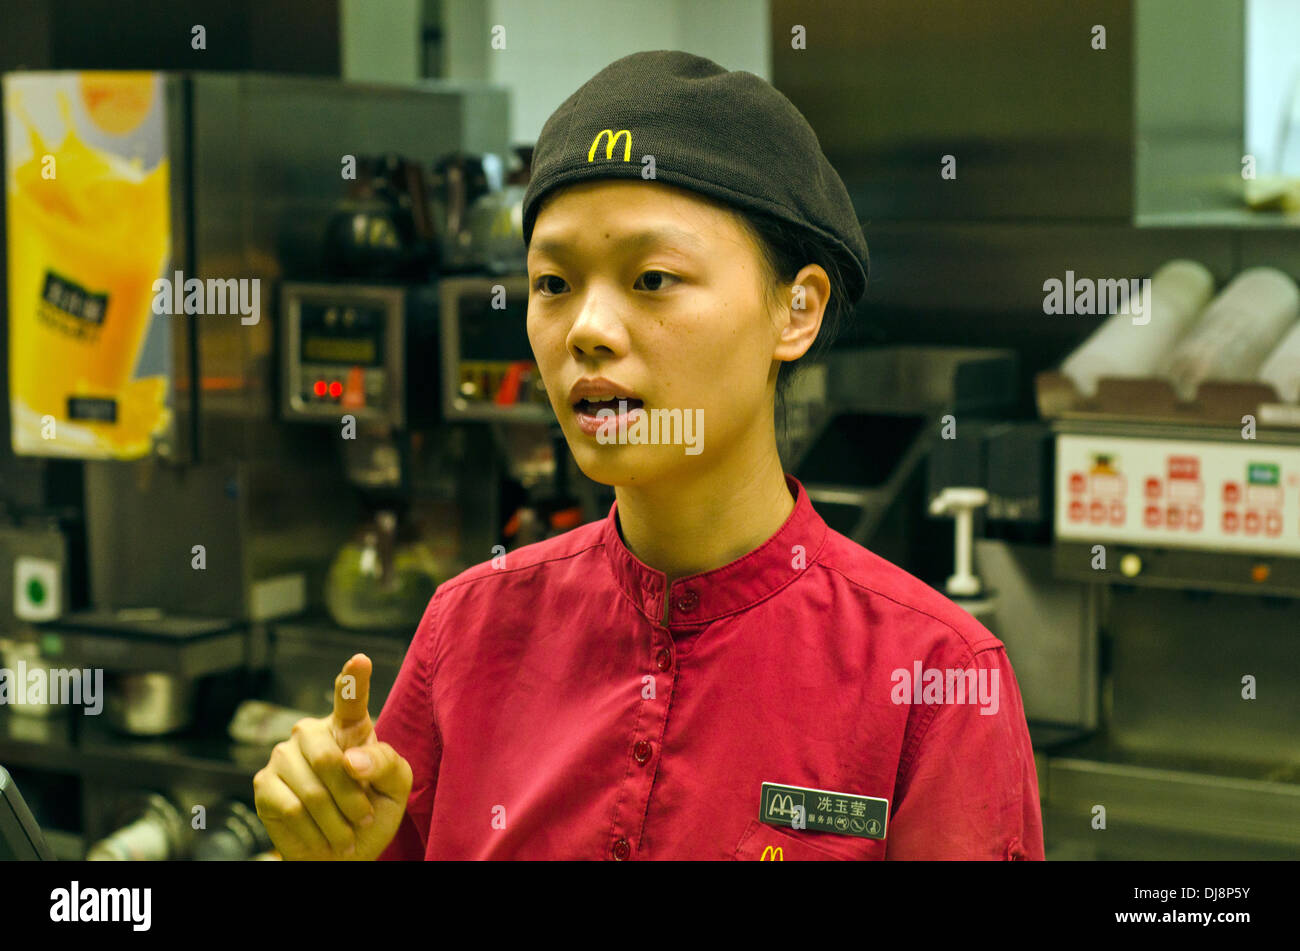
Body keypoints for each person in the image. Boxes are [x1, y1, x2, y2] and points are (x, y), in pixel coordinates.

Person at [253, 49, 1044, 860]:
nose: (587, 329)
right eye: (553, 283)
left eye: (654, 278)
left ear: (796, 310)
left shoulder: (938, 676)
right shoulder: (469, 629)